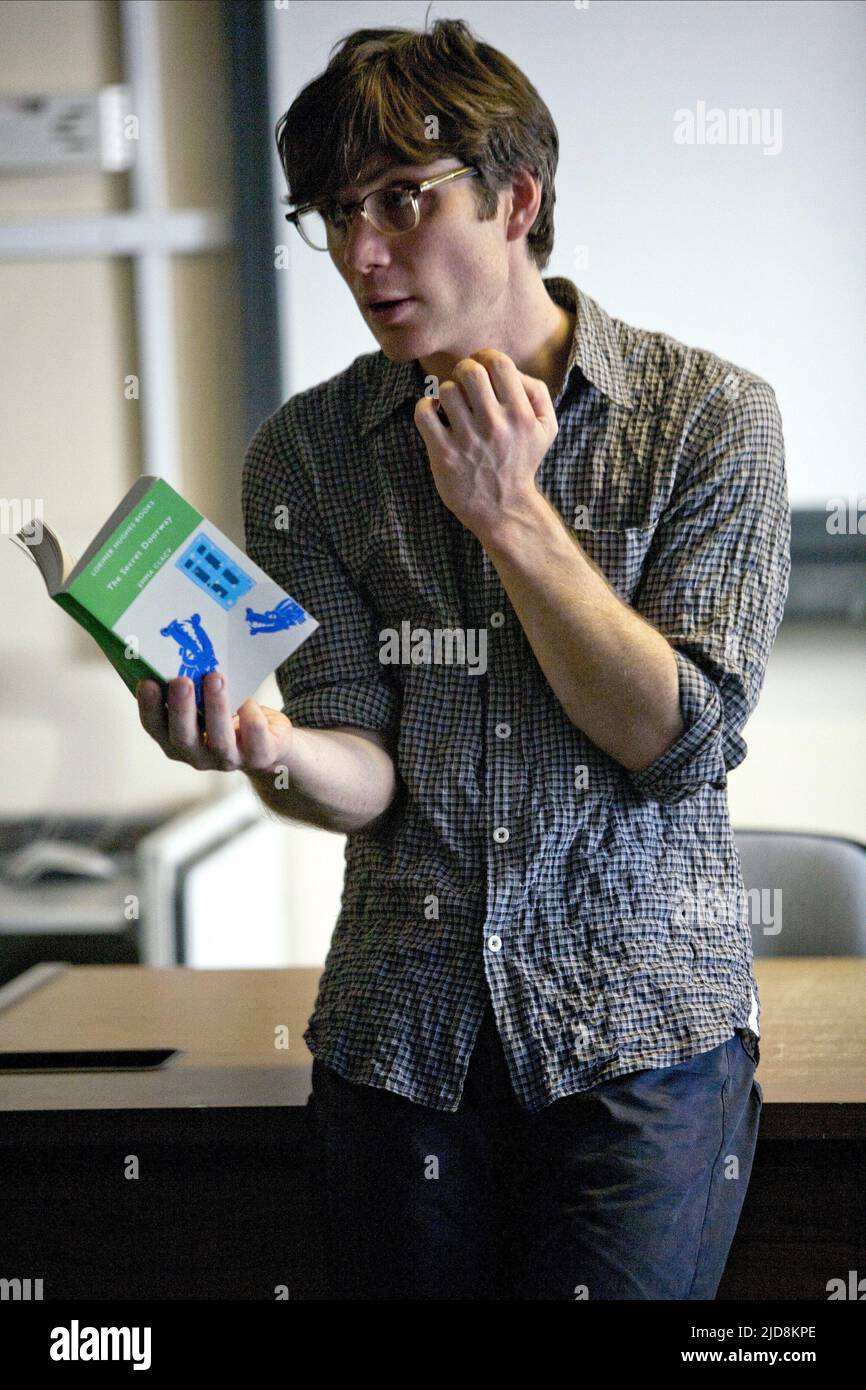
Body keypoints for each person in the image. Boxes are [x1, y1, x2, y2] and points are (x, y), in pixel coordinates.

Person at [138, 17, 789, 1300]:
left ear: (516, 200)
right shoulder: (306, 455)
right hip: (399, 1042)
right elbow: (366, 768)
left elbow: (679, 743)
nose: (362, 254)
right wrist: (265, 748)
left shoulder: (709, 417)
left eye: (399, 200)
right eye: (333, 215)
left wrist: (507, 514)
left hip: (636, 1037)